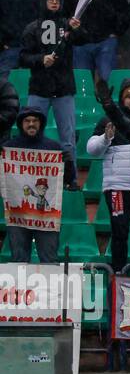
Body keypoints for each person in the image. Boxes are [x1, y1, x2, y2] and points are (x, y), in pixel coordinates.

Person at [21, 0, 86, 187]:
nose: (54, 2)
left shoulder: (68, 26)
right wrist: (41, 60)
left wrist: (77, 28)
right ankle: (31, 177)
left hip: (64, 89)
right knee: (32, 134)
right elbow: (23, 58)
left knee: (67, 138)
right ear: (43, 1)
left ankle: (71, 179)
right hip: (39, 89)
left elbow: (84, 39)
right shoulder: (32, 28)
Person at [86, 77, 130, 271]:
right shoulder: (108, 119)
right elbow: (92, 149)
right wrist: (106, 138)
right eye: (129, 97)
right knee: (119, 230)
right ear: (122, 99)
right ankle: (119, 271)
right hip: (117, 188)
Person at [1, 109, 65, 263]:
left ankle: (50, 288)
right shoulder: (8, 148)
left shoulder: (54, 148)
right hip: (18, 216)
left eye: (35, 120)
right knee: (19, 262)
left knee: (49, 260)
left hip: (46, 217)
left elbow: (67, 181)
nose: (31, 124)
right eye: (27, 121)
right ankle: (20, 288)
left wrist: (67, 165)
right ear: (21, 124)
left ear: (41, 124)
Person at [61, 0, 127, 80]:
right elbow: (62, 16)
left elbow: (123, 9)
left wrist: (117, 31)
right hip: (79, 42)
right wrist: (68, 32)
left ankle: (108, 100)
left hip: (105, 40)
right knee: (82, 82)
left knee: (108, 80)